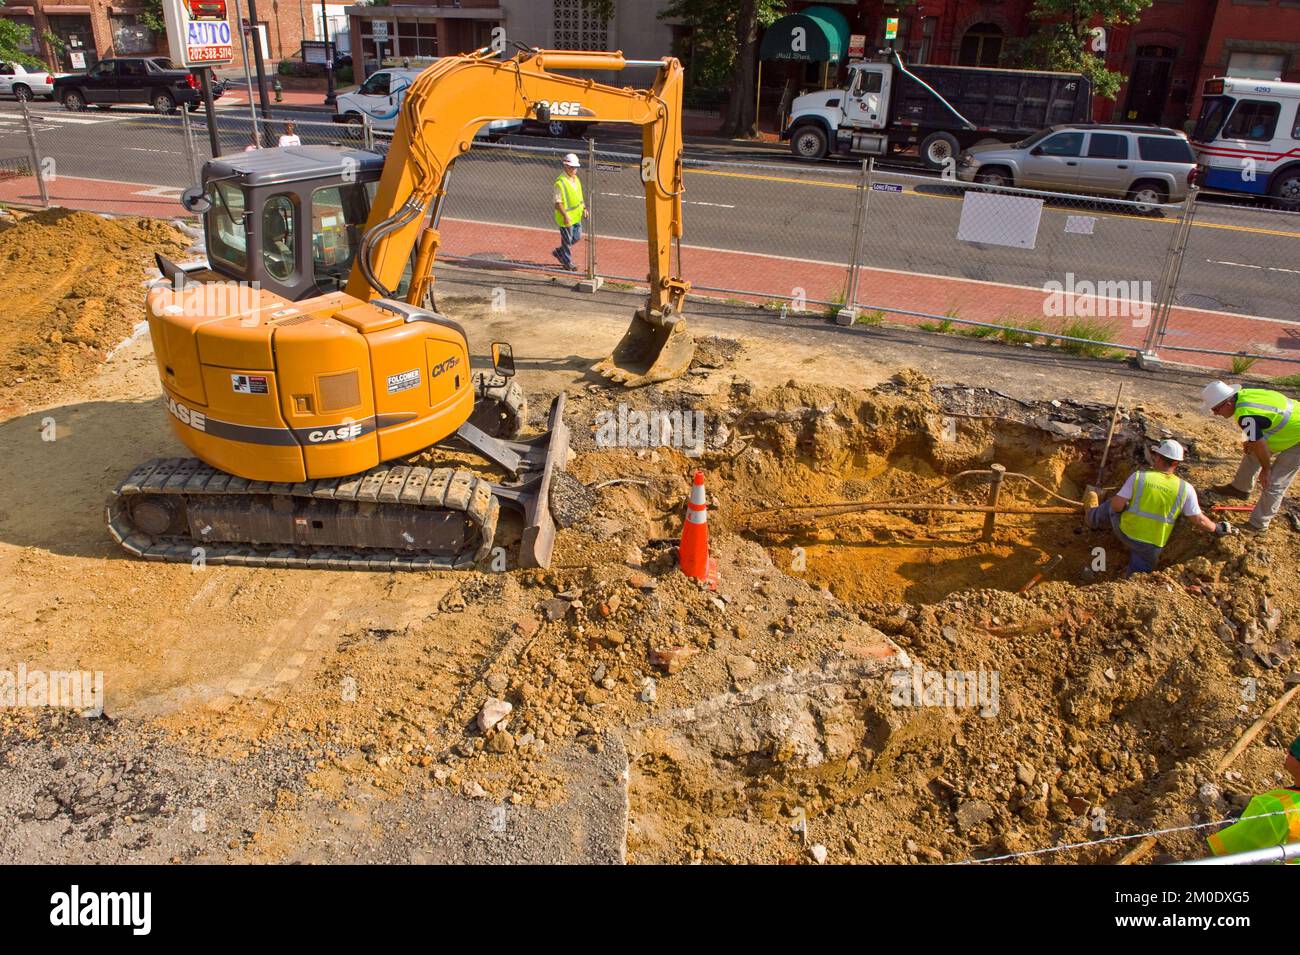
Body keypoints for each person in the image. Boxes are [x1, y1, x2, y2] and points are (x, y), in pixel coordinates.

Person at [1086, 439, 1229, 575]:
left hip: (1125, 532)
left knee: (1114, 502)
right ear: (1176, 463)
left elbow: (1117, 507)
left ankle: (1092, 518)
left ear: (1157, 457)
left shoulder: (1139, 477)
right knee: (1138, 574)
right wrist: (1217, 528)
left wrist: (1124, 509)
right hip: (1151, 546)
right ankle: (1130, 583)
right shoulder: (1185, 489)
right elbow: (1199, 520)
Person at [1202, 380, 1300, 533]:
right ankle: (1240, 489)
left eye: (1215, 409)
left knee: (1274, 482)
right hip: (1286, 426)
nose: (1215, 413)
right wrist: (1249, 439)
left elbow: (1259, 443)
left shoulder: (1245, 415)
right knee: (1252, 450)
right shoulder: (1242, 396)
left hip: (1297, 435)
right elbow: (1259, 421)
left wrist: (1266, 469)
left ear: (1227, 404)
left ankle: (1259, 525)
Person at [1206, 733, 1300, 860]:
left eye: (1293, 753)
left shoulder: (1274, 808)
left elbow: (1227, 856)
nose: (1287, 750)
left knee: (1232, 819)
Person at [551, 152, 586, 272]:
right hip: (566, 218)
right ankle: (567, 263)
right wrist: (565, 216)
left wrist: (584, 208)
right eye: (572, 167)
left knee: (576, 237)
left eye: (575, 167)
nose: (574, 169)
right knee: (567, 241)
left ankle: (559, 252)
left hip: (576, 216)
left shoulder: (576, 179)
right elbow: (557, 203)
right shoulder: (560, 183)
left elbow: (579, 196)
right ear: (565, 166)